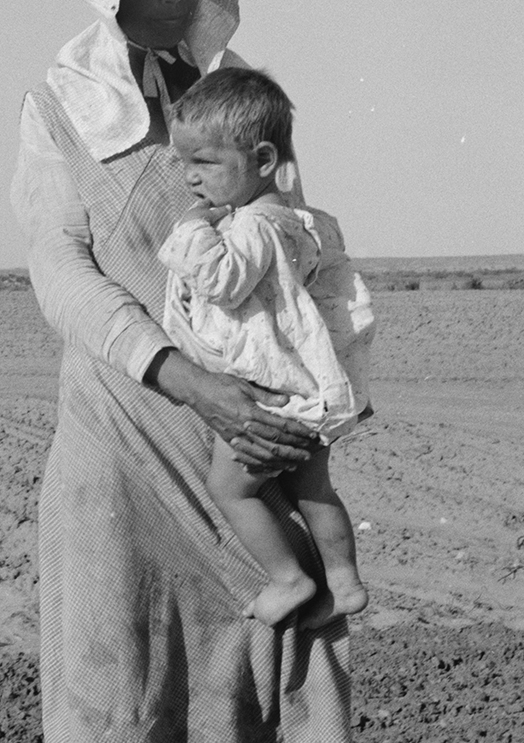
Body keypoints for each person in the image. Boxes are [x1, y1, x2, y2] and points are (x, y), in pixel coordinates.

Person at [12, 0, 364, 743]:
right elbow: (59, 269)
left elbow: (296, 242)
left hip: (238, 433)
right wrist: (176, 373)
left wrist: (307, 391)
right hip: (121, 436)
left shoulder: (234, 96)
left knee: (260, 665)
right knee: (107, 679)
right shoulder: (56, 105)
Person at [157, 67, 375, 631]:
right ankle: (345, 580)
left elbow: (221, 281)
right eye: (184, 164)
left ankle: (289, 577)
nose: (189, 179)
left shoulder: (253, 225)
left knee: (229, 488)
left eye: (203, 163)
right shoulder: (307, 221)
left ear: (263, 159)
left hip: (273, 394)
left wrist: (190, 230)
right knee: (313, 486)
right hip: (312, 387)